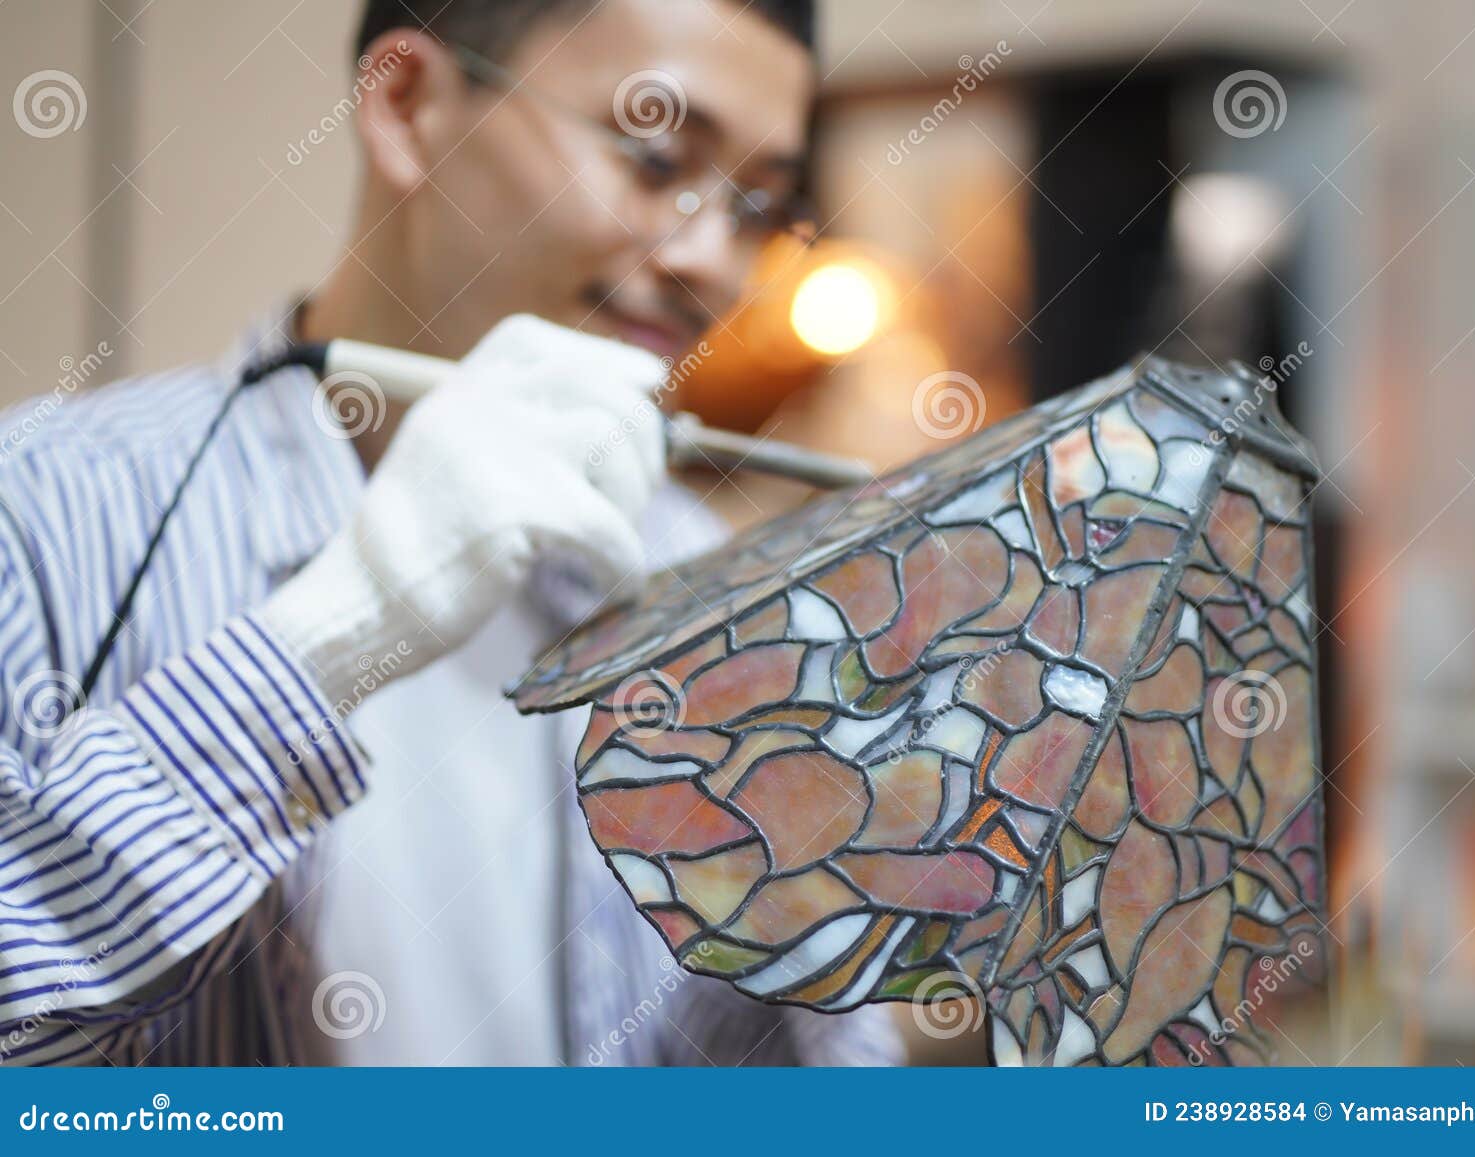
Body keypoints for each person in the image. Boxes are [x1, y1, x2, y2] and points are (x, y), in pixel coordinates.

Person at [0, 0, 902, 1066]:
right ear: (407, 104)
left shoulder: (718, 584)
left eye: (759, 206)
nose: (713, 258)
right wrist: (340, 628)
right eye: (657, 158)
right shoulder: (45, 509)